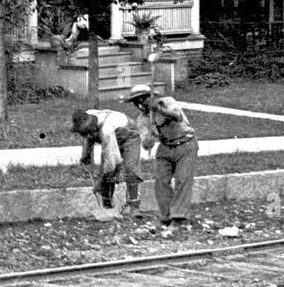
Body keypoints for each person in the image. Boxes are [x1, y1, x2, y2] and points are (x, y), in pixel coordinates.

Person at [125, 83, 197, 233]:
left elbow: (176, 116)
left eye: (142, 100)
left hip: (186, 143)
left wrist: (157, 108)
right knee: (160, 181)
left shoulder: (167, 102)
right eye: (135, 102)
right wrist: (148, 140)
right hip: (165, 147)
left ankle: (178, 218)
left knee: (182, 180)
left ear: (149, 98)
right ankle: (166, 217)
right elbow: (146, 142)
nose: (139, 105)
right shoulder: (142, 119)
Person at [71, 106, 143, 217]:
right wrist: (85, 156)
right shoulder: (87, 116)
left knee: (130, 170)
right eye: (83, 132)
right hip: (108, 137)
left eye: (89, 132)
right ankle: (107, 206)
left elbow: (111, 163)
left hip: (129, 135)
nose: (88, 136)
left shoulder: (106, 130)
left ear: (94, 127)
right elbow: (88, 140)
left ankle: (134, 206)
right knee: (105, 171)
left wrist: (99, 181)